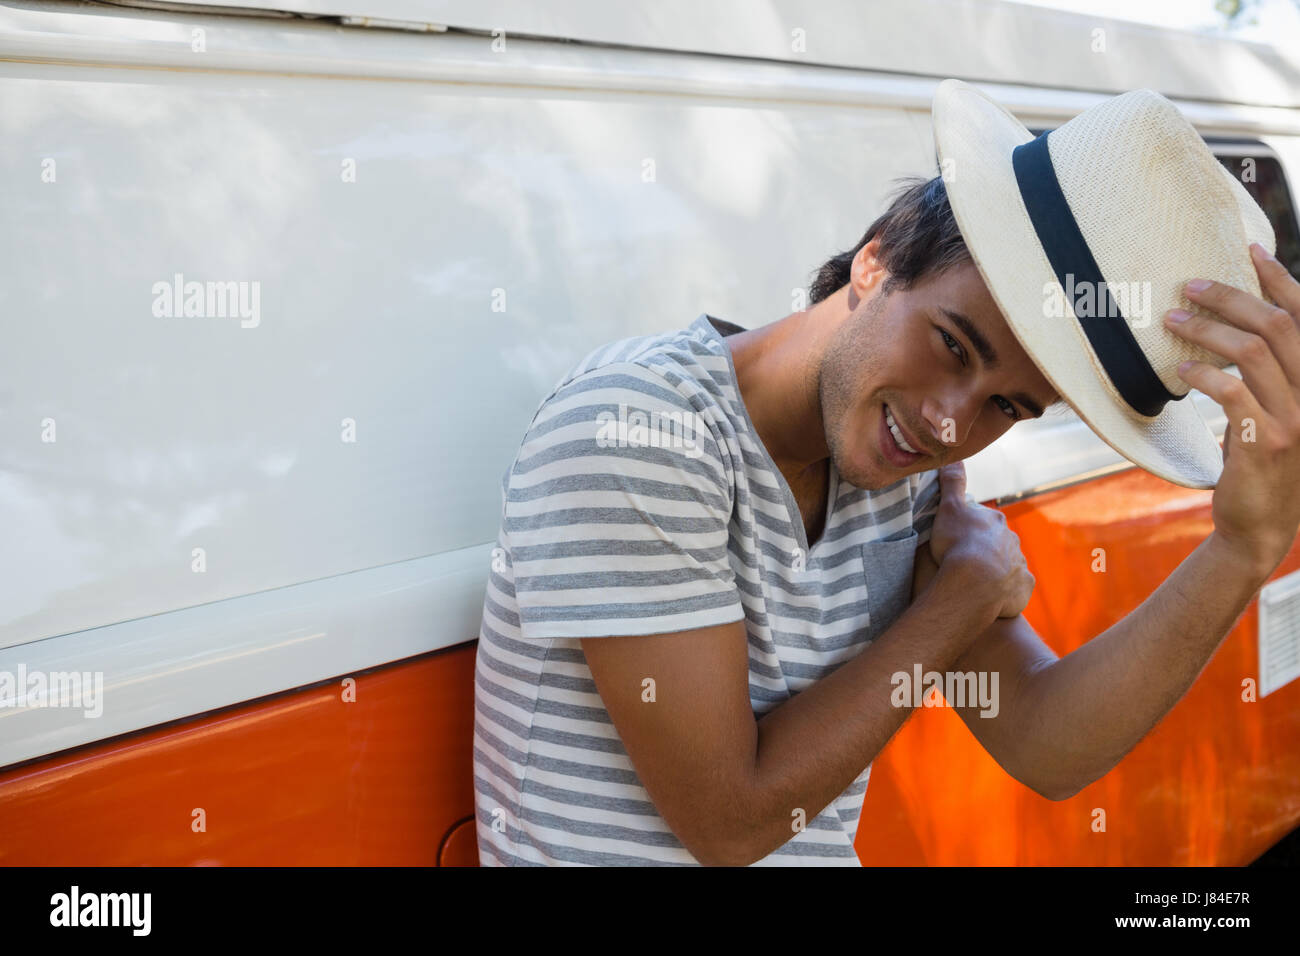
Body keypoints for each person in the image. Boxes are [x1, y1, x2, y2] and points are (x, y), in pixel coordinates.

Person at [471, 79, 1300, 865]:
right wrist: (957, 605)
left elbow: (1048, 743)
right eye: (951, 344)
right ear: (875, 262)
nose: (950, 423)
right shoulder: (646, 431)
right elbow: (729, 822)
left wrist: (1240, 548)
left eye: (1008, 406)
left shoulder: (893, 470)